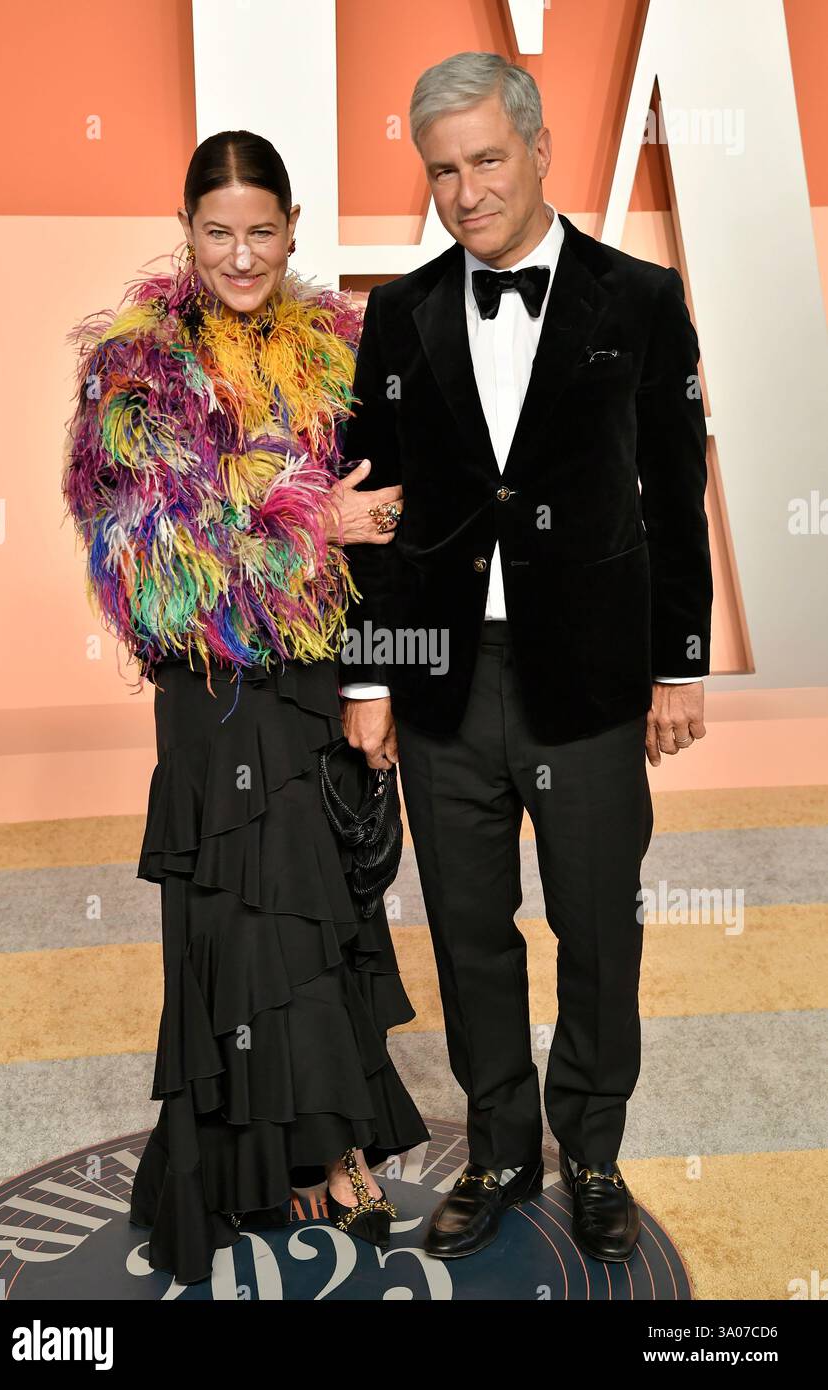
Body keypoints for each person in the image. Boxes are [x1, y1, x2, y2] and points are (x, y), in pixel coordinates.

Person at [340, 52, 713, 1263]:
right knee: (466, 924)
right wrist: (369, 674)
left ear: (540, 149)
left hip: (589, 677)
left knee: (599, 925)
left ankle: (592, 1150)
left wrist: (679, 664)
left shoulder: (641, 299)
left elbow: (674, 490)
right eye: (441, 170)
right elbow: (371, 506)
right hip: (445, 679)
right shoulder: (397, 316)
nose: (464, 191)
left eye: (487, 160)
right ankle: (500, 1147)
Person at [61, 129, 429, 1286]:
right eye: (217, 232)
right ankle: (260, 1156)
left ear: (291, 227)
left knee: (316, 908)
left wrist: (372, 680)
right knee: (235, 917)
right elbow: (147, 562)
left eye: (260, 230)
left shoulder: (337, 349)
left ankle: (326, 1141)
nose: (239, 253)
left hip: (315, 674)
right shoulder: (136, 369)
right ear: (185, 232)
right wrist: (303, 522)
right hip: (211, 686)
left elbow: (388, 524)